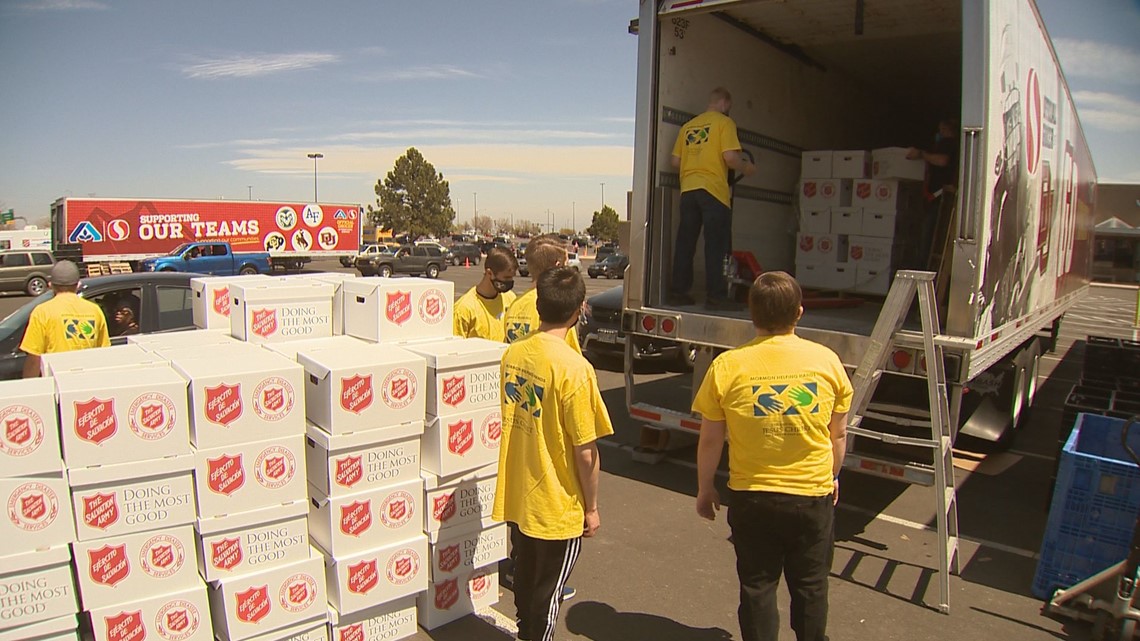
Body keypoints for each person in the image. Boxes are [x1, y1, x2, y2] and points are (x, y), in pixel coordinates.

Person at [692, 271, 852, 641]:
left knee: (757, 586)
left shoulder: (727, 366)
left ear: (752, 314)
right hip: (812, 496)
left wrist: (705, 488)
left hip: (752, 497)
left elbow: (711, 440)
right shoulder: (827, 362)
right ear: (799, 312)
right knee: (811, 585)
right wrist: (832, 477)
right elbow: (838, 433)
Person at [493, 267, 613, 641]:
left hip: (519, 492)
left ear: (538, 304)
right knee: (546, 595)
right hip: (556, 505)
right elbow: (586, 451)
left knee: (526, 582)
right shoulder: (575, 369)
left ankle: (525, 631)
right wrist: (591, 508)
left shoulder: (514, 354)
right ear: (579, 310)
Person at [669, 87, 756, 310]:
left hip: (688, 189)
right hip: (713, 191)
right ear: (725, 103)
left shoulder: (688, 127)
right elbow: (730, 157)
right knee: (715, 244)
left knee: (686, 242)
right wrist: (745, 167)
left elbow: (676, 162)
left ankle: (679, 292)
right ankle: (716, 295)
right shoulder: (724, 124)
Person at [20, 260, 110, 378]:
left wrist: (29, 387)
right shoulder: (95, 310)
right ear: (78, 285)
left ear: (50, 285)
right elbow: (103, 353)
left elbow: (34, 358)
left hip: (56, 381)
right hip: (87, 380)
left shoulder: (42, 312)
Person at [504, 234, 582, 353]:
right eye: (566, 264)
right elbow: (571, 357)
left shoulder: (514, 305)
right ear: (558, 266)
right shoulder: (556, 305)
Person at [907, 118, 959, 269]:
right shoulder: (942, 144)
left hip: (940, 199)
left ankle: (924, 272)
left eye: (941, 129)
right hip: (933, 198)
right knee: (926, 237)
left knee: (929, 240)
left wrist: (922, 155)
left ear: (946, 129)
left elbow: (942, 160)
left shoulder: (949, 144)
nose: (939, 133)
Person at [453, 246, 518, 342]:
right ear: (489, 273)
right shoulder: (464, 309)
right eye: (506, 278)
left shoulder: (511, 298)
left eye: (512, 277)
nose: (510, 281)